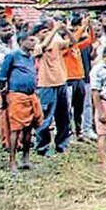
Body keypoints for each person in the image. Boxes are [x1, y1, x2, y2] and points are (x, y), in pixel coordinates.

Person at [0, 30, 41, 171]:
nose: (34, 43)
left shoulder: (30, 57)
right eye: (31, 40)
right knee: (15, 129)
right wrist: (4, 95)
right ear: (22, 42)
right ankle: (12, 162)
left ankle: (25, 159)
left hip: (30, 95)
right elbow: (2, 76)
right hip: (16, 96)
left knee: (29, 128)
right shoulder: (12, 55)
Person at [33, 20, 72, 156]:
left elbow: (72, 42)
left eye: (47, 31)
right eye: (43, 32)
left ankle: (61, 144)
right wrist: (55, 29)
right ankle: (42, 147)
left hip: (61, 81)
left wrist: (66, 30)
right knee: (45, 117)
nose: (47, 33)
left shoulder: (56, 41)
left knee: (63, 116)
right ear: (37, 35)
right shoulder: (36, 45)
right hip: (46, 84)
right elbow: (43, 47)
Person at [64, 13, 95, 141]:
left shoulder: (77, 46)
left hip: (80, 78)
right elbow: (75, 38)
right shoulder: (64, 47)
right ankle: (68, 132)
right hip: (69, 80)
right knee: (68, 108)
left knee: (79, 107)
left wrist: (89, 27)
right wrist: (82, 26)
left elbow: (90, 40)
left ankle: (78, 131)